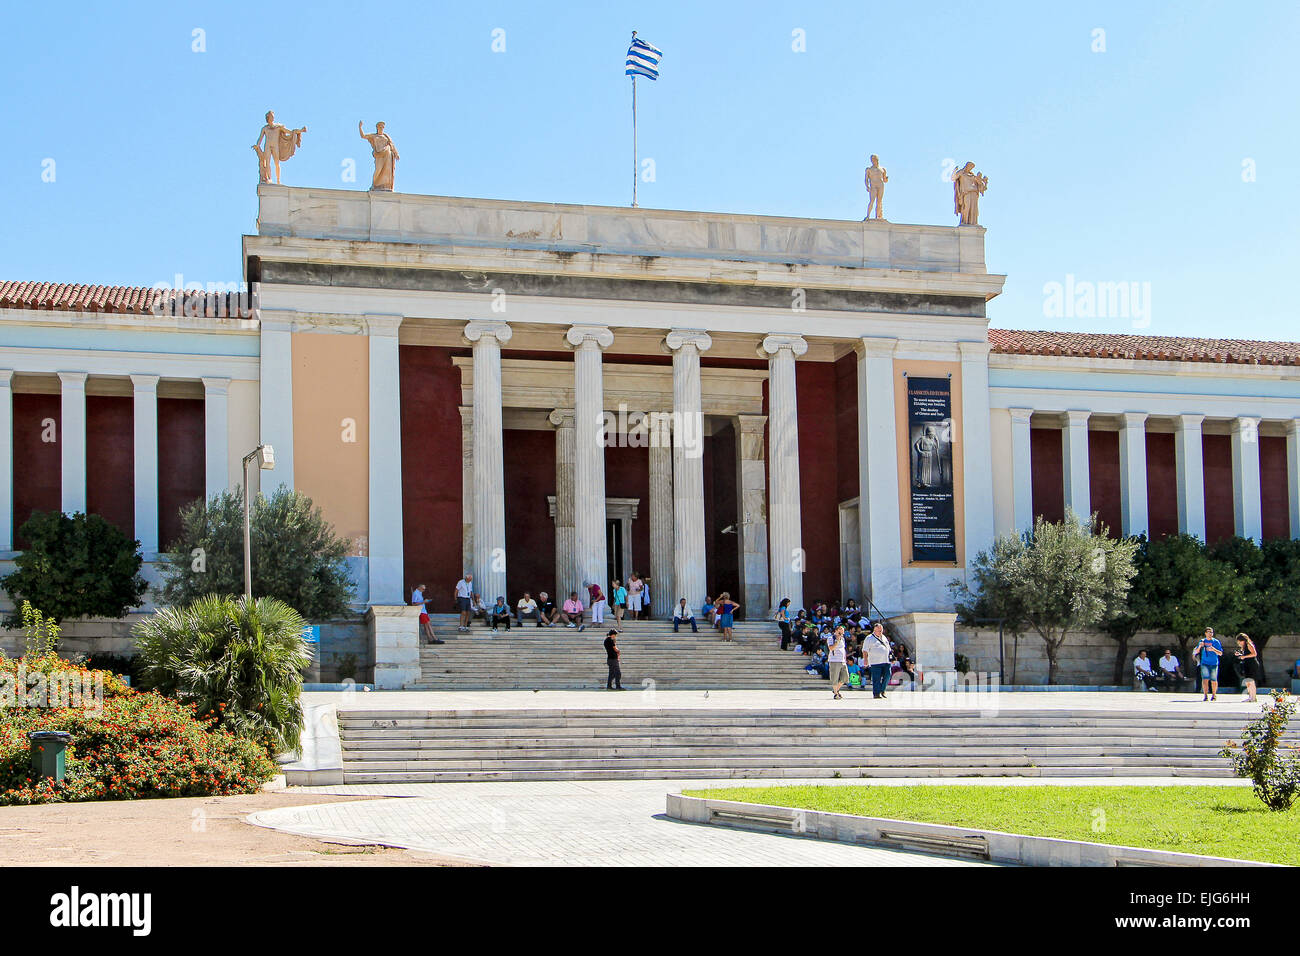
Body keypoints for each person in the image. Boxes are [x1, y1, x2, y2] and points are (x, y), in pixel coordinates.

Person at [1193, 627, 1223, 701]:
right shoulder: (1202, 641)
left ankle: (1214, 695)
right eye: (1208, 632)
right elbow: (1196, 652)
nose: (1210, 634)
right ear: (1205, 633)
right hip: (1204, 663)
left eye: (1211, 632)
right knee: (1205, 679)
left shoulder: (1216, 642)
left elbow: (1220, 653)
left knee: (1213, 680)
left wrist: (1213, 649)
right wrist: (1200, 646)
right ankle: (1205, 696)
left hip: (1214, 663)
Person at [865, 622, 892, 699]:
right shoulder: (869, 638)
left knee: (888, 675)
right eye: (878, 630)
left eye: (881, 630)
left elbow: (888, 648)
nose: (880, 632)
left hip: (886, 661)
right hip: (875, 662)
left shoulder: (884, 637)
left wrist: (891, 657)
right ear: (874, 630)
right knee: (876, 678)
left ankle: (882, 690)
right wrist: (865, 660)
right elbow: (865, 650)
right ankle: (876, 693)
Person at [1234, 633, 1261, 703]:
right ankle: (1250, 697)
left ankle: (1253, 697)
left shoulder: (1249, 644)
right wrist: (1240, 655)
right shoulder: (1244, 647)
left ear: (1244, 640)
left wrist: (1244, 657)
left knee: (1251, 681)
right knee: (1248, 681)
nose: (1239, 643)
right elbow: (1246, 654)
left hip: (1252, 664)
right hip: (1247, 664)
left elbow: (1254, 654)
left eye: (1240, 641)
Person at [827, 625, 849, 700]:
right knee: (835, 678)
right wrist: (837, 641)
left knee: (845, 678)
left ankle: (835, 689)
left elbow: (843, 649)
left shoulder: (843, 639)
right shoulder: (831, 638)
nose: (842, 631)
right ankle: (836, 693)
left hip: (842, 660)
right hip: (834, 660)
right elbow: (831, 648)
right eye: (840, 629)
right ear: (836, 630)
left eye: (843, 630)